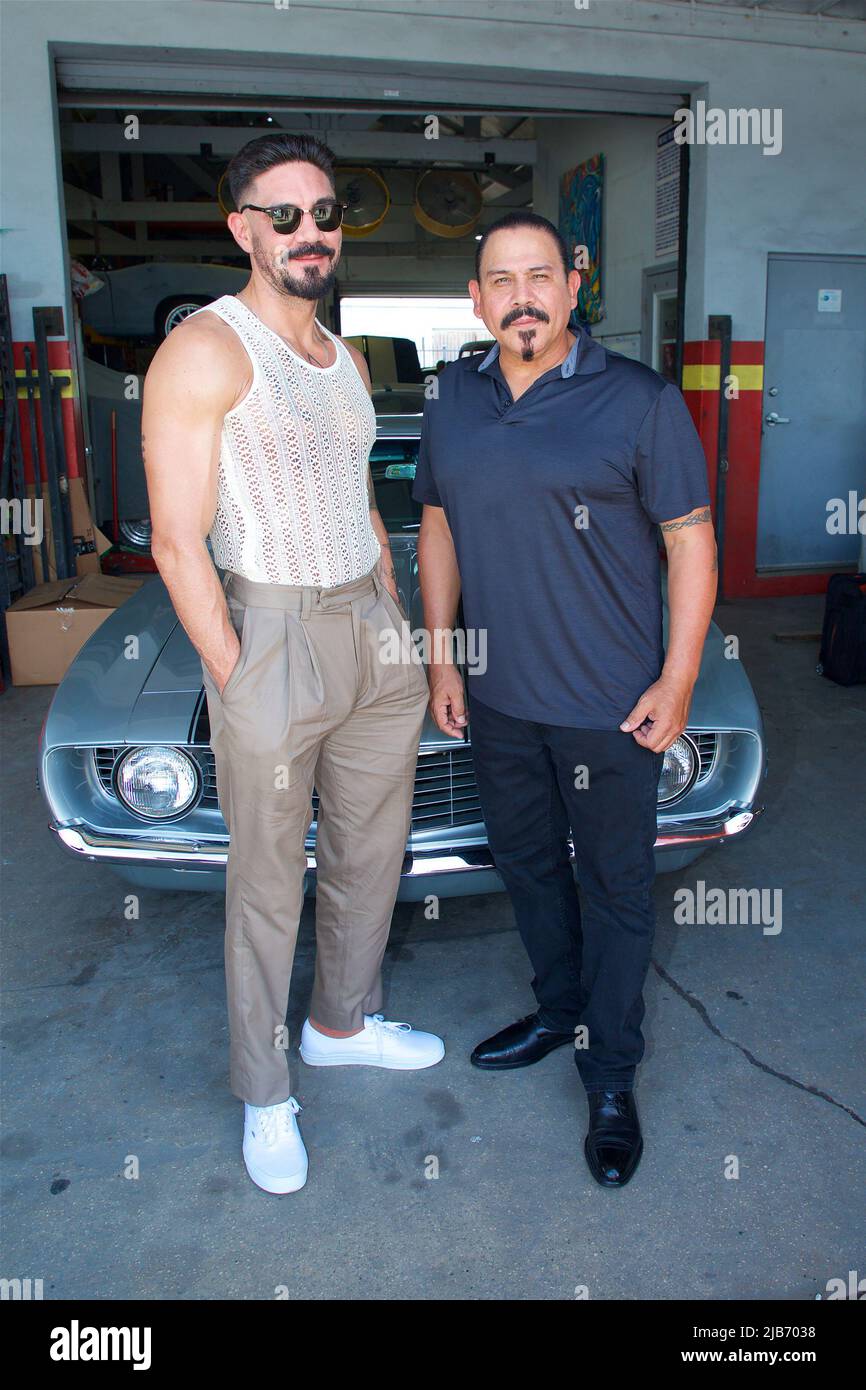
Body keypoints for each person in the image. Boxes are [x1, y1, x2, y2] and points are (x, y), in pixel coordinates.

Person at [143, 132, 441, 1196]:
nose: (311, 232)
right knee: (268, 882)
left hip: (368, 629)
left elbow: (358, 496)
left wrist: (395, 622)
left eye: (325, 213)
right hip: (268, 633)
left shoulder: (342, 356)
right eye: (285, 215)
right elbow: (177, 541)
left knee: (372, 852)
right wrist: (235, 672)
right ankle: (265, 1092)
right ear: (242, 229)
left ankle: (339, 1022)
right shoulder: (205, 351)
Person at [413, 211, 716, 1188]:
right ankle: (555, 1009)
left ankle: (610, 1074)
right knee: (527, 864)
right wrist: (442, 656)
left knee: (617, 890)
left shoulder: (637, 400)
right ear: (475, 298)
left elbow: (689, 541)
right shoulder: (452, 397)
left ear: (572, 287)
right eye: (499, 279)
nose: (520, 295)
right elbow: (436, 526)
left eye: (538, 275)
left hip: (607, 703)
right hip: (499, 698)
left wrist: (676, 679)